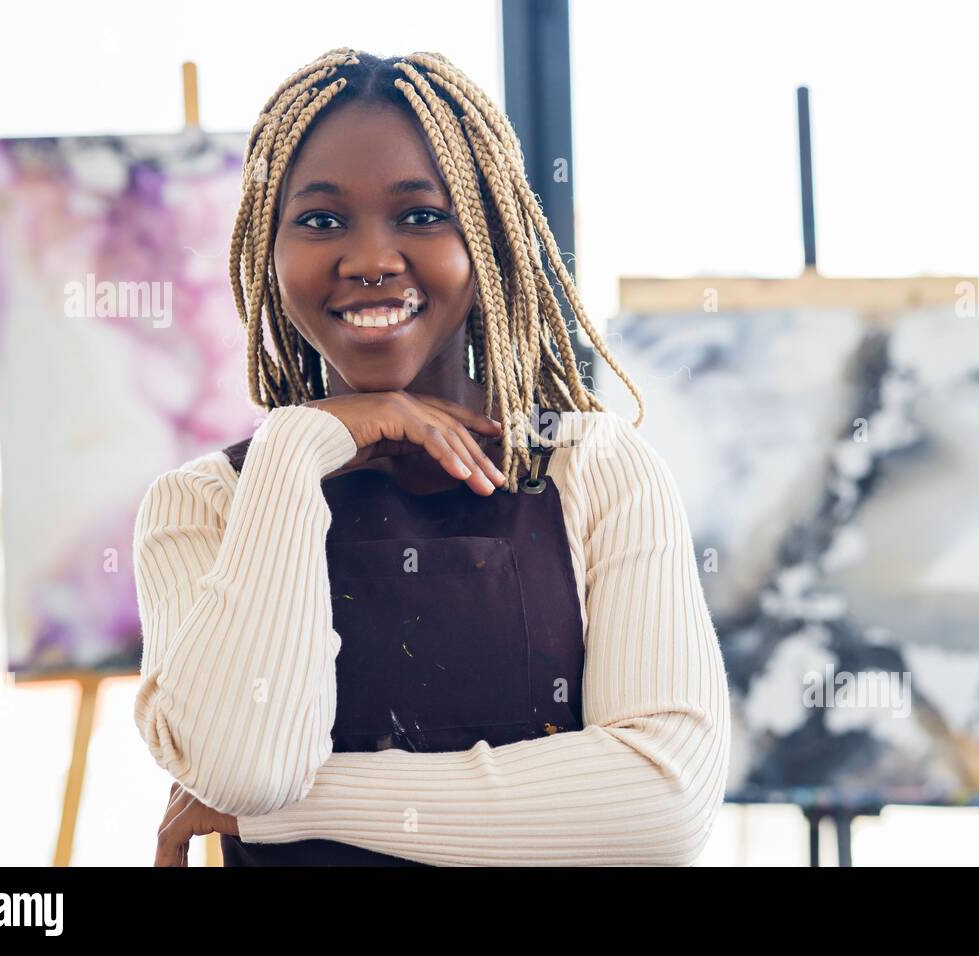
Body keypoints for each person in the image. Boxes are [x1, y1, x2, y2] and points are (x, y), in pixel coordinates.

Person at [134, 47, 730, 866]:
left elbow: (662, 806)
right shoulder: (202, 505)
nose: (371, 258)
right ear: (267, 255)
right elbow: (246, 766)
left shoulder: (595, 470)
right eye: (320, 220)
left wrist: (286, 813)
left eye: (421, 215)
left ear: (487, 241)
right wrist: (296, 443)